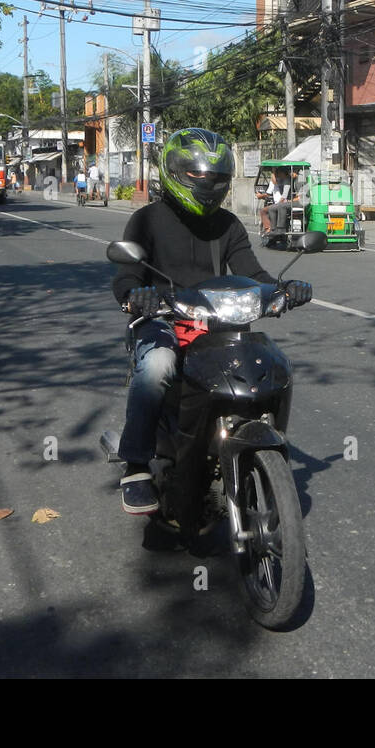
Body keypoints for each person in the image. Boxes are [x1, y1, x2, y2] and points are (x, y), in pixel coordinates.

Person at [110, 128, 312, 516]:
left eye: (216, 177)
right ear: (173, 171)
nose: (208, 183)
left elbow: (254, 275)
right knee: (156, 366)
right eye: (198, 175)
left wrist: (285, 289)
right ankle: (135, 464)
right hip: (162, 319)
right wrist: (137, 297)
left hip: (216, 324)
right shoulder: (146, 220)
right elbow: (127, 277)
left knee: (267, 366)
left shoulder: (228, 225)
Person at [262, 168, 294, 235]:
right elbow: (274, 181)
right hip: (284, 201)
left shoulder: (286, 180)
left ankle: (274, 229)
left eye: (278, 173)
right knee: (272, 208)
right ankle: (274, 229)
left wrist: (279, 203)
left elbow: (284, 197)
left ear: (282, 173)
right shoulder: (281, 180)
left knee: (269, 209)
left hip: (285, 201)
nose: (277, 175)